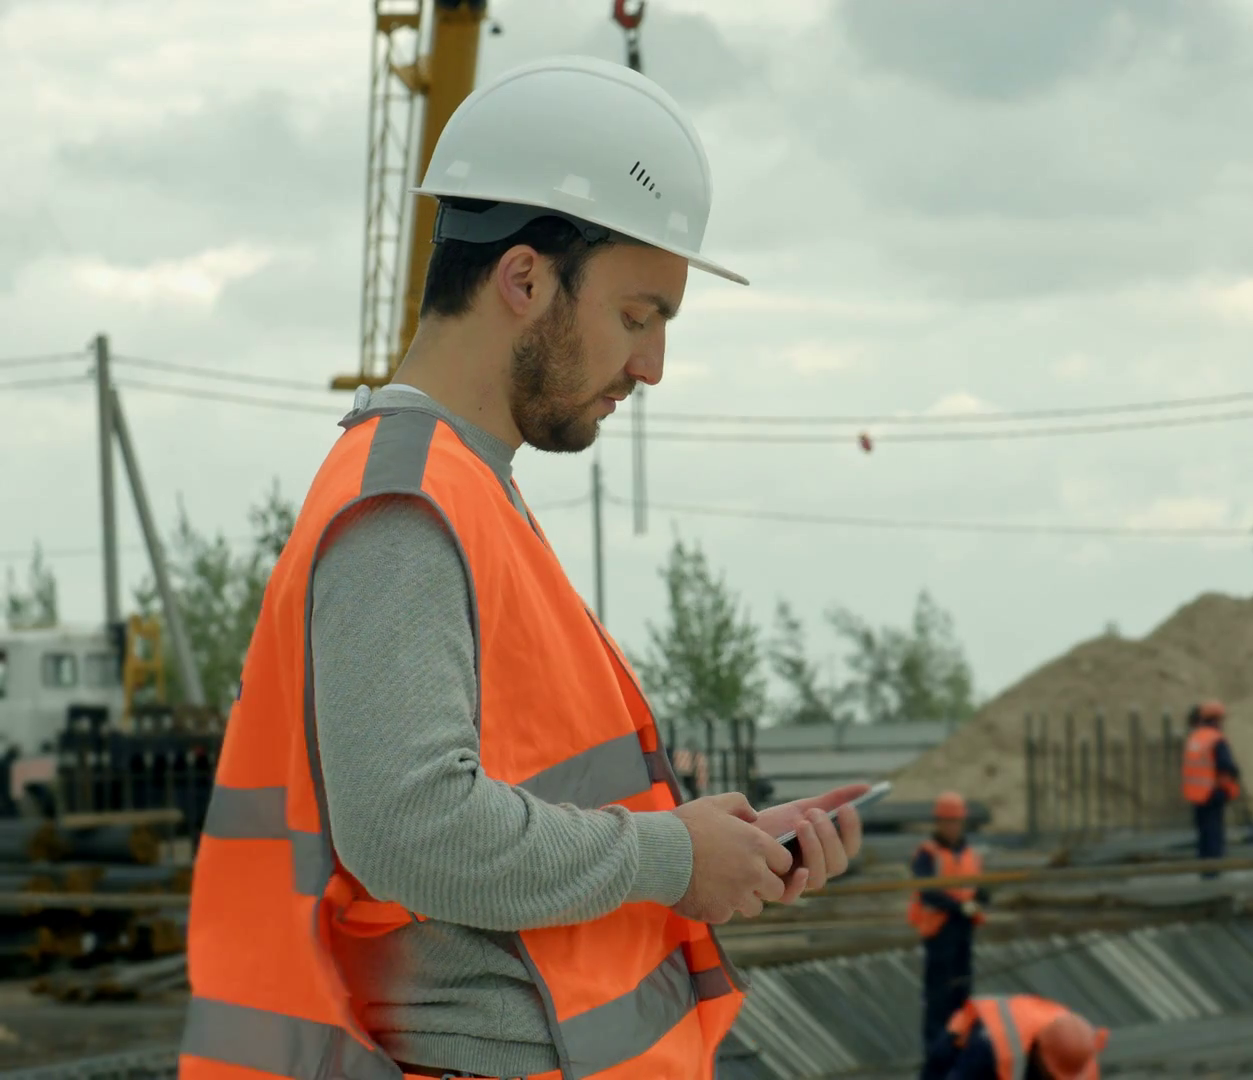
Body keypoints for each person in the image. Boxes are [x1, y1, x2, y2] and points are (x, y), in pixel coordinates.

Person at [179, 57, 867, 1080]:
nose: (652, 367)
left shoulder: (463, 491)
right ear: (525, 278)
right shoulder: (404, 504)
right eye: (638, 317)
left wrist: (719, 853)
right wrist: (672, 855)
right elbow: (414, 829)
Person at [912, 792, 989, 1051]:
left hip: (964, 928)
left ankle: (961, 1045)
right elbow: (927, 891)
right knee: (938, 995)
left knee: (962, 990)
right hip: (939, 930)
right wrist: (959, 906)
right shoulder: (927, 854)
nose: (953, 826)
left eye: (957, 821)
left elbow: (980, 887)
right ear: (939, 822)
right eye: (948, 821)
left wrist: (979, 901)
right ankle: (936, 1049)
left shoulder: (969, 853)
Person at [921, 995, 1107, 1080]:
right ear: (1037, 1051)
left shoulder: (1077, 1053)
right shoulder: (990, 1049)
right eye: (1051, 1075)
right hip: (963, 1037)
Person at [1182, 700, 1241, 875]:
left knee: (1203, 834)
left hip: (1196, 794)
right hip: (1213, 793)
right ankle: (1214, 872)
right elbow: (1225, 765)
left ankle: (1204, 869)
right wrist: (1234, 775)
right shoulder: (1216, 739)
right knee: (1214, 833)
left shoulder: (1195, 738)